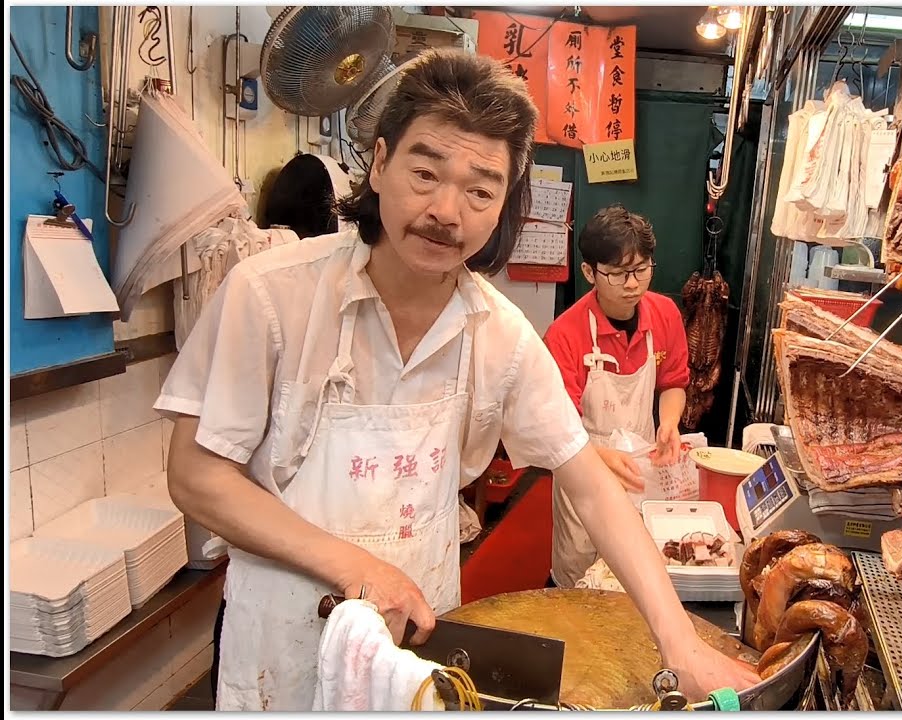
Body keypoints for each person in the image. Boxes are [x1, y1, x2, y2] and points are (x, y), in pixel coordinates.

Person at [157, 49, 758, 711]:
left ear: (504, 205)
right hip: (281, 649)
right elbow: (196, 474)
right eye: (425, 172)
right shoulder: (270, 296)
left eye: (480, 190)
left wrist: (682, 646)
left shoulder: (496, 333)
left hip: (420, 647)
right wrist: (355, 567)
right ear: (380, 164)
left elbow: (588, 481)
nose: (448, 210)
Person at [543, 205, 690, 588]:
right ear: (590, 272)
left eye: (641, 270)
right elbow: (557, 425)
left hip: (642, 462)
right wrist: (600, 456)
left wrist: (670, 423)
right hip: (582, 462)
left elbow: (674, 381)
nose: (632, 284)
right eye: (618, 274)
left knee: (639, 571)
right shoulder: (565, 334)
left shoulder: (665, 314)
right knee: (581, 571)